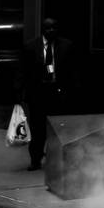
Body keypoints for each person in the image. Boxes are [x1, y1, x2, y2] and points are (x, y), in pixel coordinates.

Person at [19, 17, 76, 173]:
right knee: (38, 129)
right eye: (48, 28)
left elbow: (72, 72)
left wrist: (67, 92)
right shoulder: (31, 47)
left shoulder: (66, 46)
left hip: (57, 93)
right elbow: (24, 72)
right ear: (42, 30)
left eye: (54, 28)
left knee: (57, 129)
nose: (51, 31)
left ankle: (55, 160)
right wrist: (22, 94)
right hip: (38, 93)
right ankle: (35, 160)